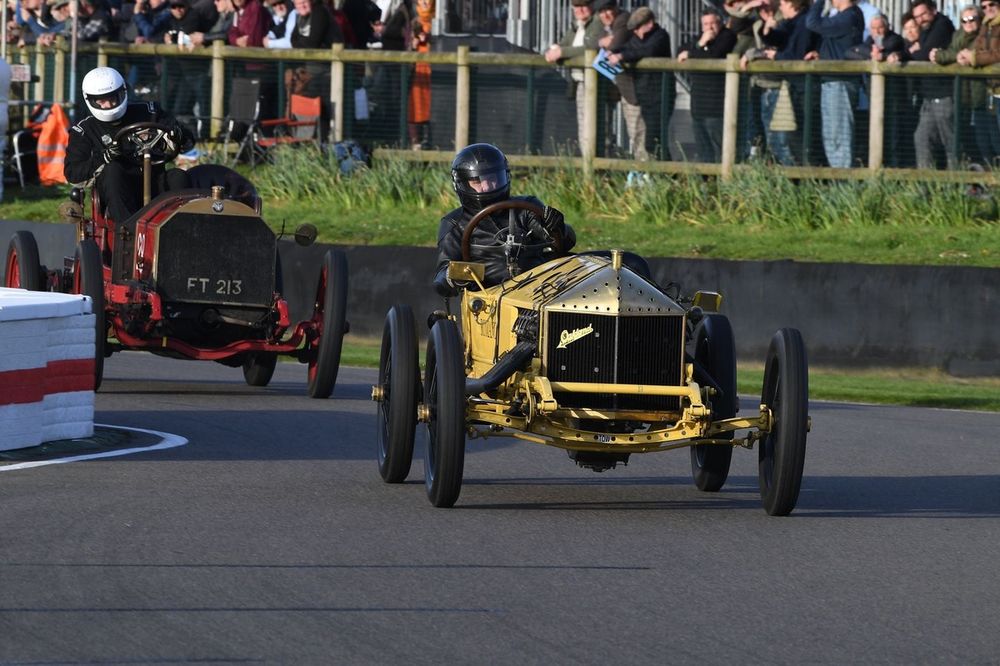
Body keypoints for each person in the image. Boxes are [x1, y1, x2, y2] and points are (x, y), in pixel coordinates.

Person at [433, 143, 576, 296]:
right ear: (462, 185)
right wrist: (454, 276)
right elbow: (441, 279)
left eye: (492, 179)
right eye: (477, 182)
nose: (487, 187)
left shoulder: (525, 208)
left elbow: (563, 243)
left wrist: (557, 227)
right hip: (488, 300)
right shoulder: (455, 223)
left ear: (505, 177)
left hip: (538, 291)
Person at [64, 67, 194, 224]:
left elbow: (187, 142)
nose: (108, 104)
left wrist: (179, 135)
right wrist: (103, 158)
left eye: (113, 98)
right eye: (101, 100)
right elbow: (73, 174)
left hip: (154, 181)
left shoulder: (149, 112)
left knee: (178, 176)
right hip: (117, 192)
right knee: (113, 170)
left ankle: (180, 230)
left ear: (123, 93)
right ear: (90, 100)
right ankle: (127, 232)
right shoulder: (84, 131)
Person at [931, 5, 996, 167]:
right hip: (962, 96)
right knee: (967, 138)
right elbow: (951, 53)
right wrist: (942, 55)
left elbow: (973, 54)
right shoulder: (958, 36)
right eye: (964, 20)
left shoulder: (982, 35)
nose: (968, 23)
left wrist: (944, 55)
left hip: (982, 95)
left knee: (988, 140)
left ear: (979, 19)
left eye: (972, 19)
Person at [607, 6, 673, 161]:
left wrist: (622, 56)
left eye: (638, 27)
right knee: (650, 140)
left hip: (660, 96)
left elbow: (647, 51)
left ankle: (667, 172)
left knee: (653, 139)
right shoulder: (637, 37)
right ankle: (665, 173)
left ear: (649, 23)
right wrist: (614, 51)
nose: (635, 32)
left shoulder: (660, 36)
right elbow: (629, 47)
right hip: (644, 95)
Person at [804, 0, 864, 168]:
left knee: (839, 135)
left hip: (840, 82)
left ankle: (844, 185)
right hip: (832, 82)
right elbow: (838, 46)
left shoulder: (850, 16)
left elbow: (812, 23)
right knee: (831, 135)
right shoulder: (844, 17)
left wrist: (818, 2)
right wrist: (822, 55)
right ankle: (839, 183)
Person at [544, 0, 603, 157]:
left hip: (595, 84)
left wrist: (561, 52)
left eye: (584, 6)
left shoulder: (597, 23)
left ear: (591, 7)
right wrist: (554, 49)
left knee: (596, 127)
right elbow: (564, 44)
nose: (580, 10)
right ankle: (587, 165)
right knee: (584, 127)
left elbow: (590, 48)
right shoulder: (576, 25)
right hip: (579, 83)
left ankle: (598, 168)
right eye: (577, 7)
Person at [678, 10, 737, 163]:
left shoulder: (728, 36)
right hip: (698, 104)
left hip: (716, 105)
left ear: (720, 23)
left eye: (713, 23)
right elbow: (679, 52)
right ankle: (706, 184)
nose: (709, 28)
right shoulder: (698, 39)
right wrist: (699, 45)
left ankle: (723, 184)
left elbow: (715, 55)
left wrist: (693, 52)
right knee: (703, 150)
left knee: (719, 149)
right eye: (705, 24)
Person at [908, 0, 956, 170]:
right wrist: (914, 52)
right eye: (917, 17)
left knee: (950, 142)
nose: (921, 20)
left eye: (924, 14)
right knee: (922, 138)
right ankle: (926, 187)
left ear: (933, 11)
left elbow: (924, 54)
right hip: (928, 97)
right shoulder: (926, 30)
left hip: (944, 95)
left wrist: (911, 53)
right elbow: (922, 52)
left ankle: (957, 185)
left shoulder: (942, 25)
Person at [958, 0, 1000, 168]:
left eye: (992, 4)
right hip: (992, 91)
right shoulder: (986, 25)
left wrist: (974, 58)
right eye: (984, 6)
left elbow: (997, 54)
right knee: (990, 141)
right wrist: (965, 55)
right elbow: (978, 47)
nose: (988, 9)